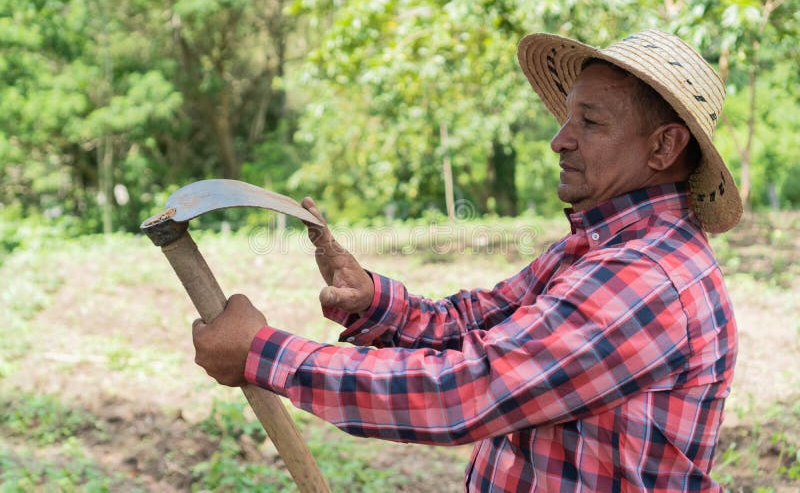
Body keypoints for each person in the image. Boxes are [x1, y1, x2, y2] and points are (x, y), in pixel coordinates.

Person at [192, 30, 741, 491]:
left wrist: (264, 355)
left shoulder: (646, 279)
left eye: (590, 124)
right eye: (567, 119)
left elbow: (464, 390)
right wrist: (375, 301)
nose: (559, 141)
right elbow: (479, 322)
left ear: (664, 148)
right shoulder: (599, 249)